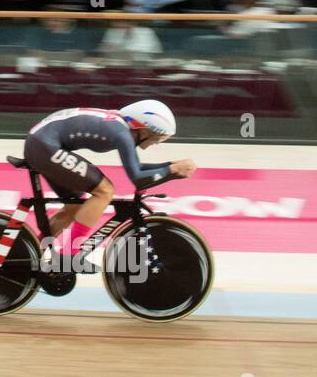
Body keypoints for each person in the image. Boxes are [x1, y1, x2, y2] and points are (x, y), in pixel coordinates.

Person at [22, 99, 196, 260]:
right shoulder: (122, 134)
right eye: (157, 136)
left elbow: (138, 168)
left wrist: (170, 166)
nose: (157, 142)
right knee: (105, 191)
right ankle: (69, 256)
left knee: (75, 205)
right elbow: (138, 178)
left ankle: (32, 255)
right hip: (44, 146)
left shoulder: (121, 126)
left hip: (41, 144)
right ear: (142, 128)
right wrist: (172, 170)